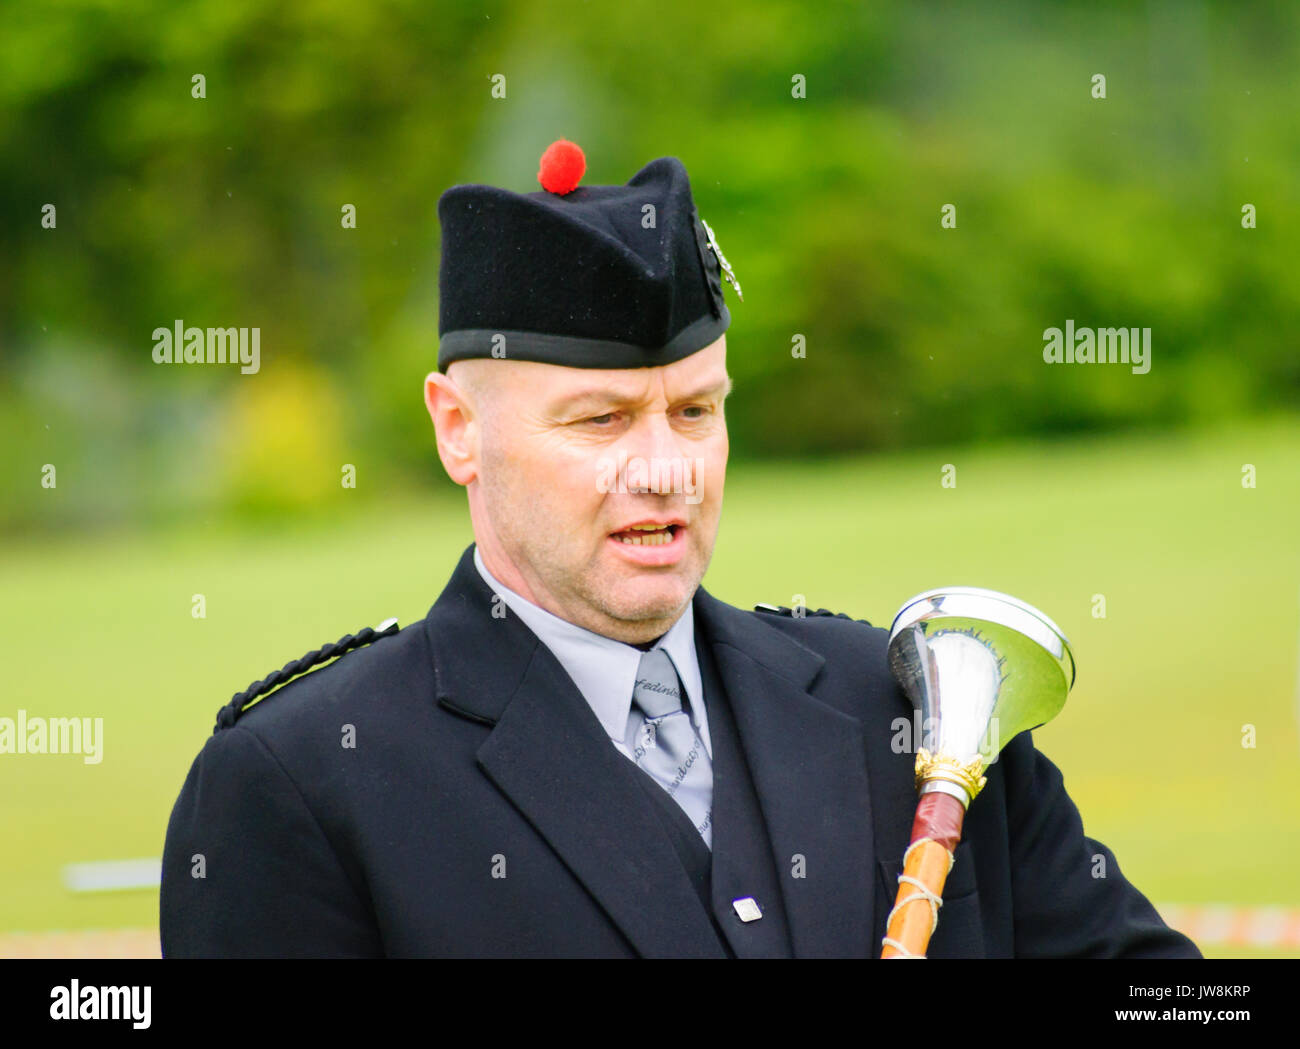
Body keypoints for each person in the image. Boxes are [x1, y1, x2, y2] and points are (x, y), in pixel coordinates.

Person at [159, 140, 1200, 959]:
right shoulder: (300, 784)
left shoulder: (917, 709)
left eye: (694, 410)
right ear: (457, 429)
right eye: (600, 420)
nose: (666, 470)